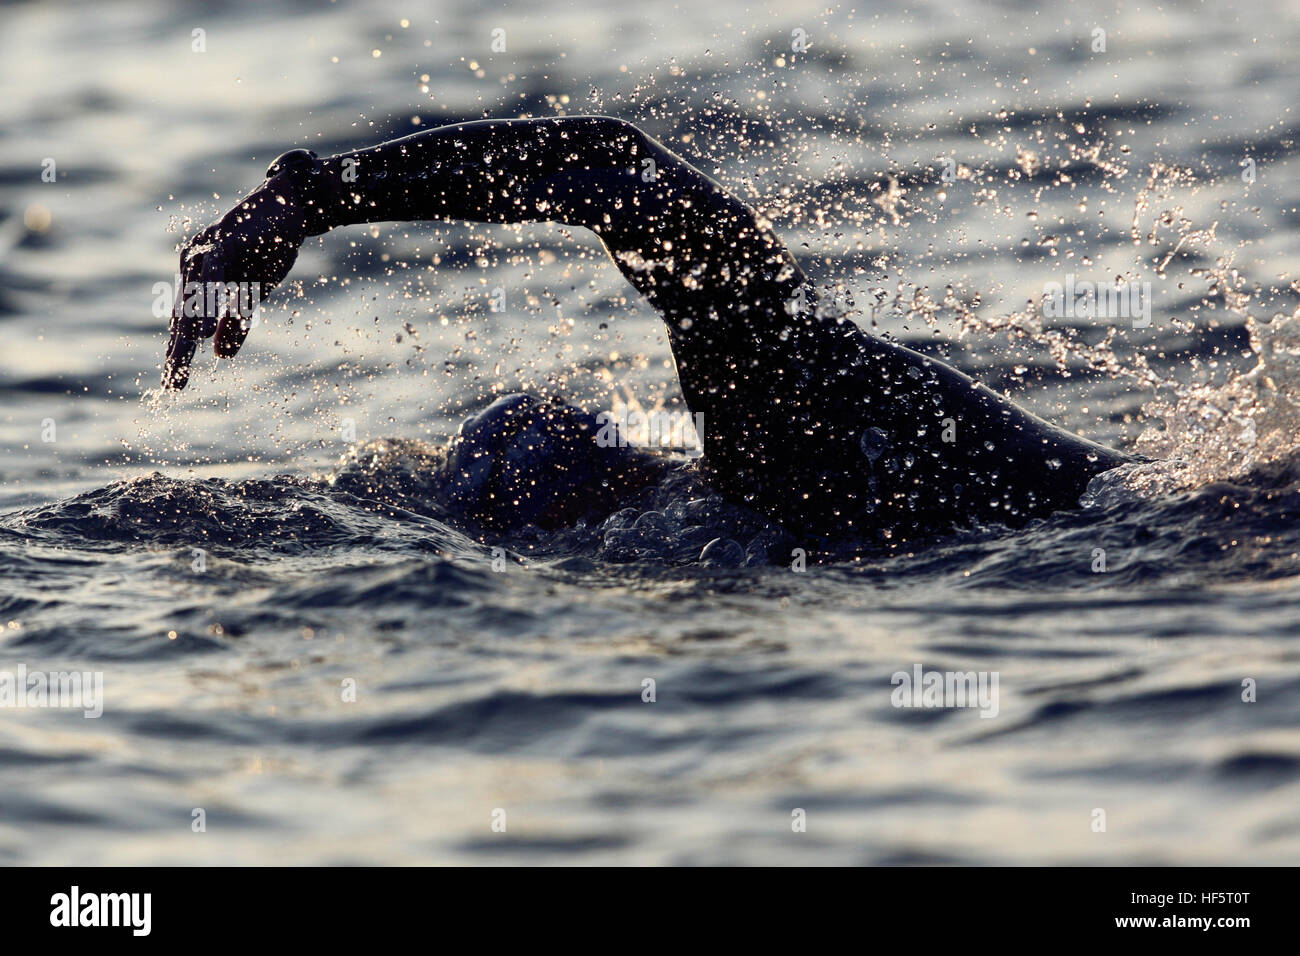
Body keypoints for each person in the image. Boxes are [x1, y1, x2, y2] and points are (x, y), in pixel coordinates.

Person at [163, 116, 1131, 541]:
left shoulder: (773, 432)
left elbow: (621, 170)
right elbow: (623, 173)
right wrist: (308, 199)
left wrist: (313, 197)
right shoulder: (782, 451)